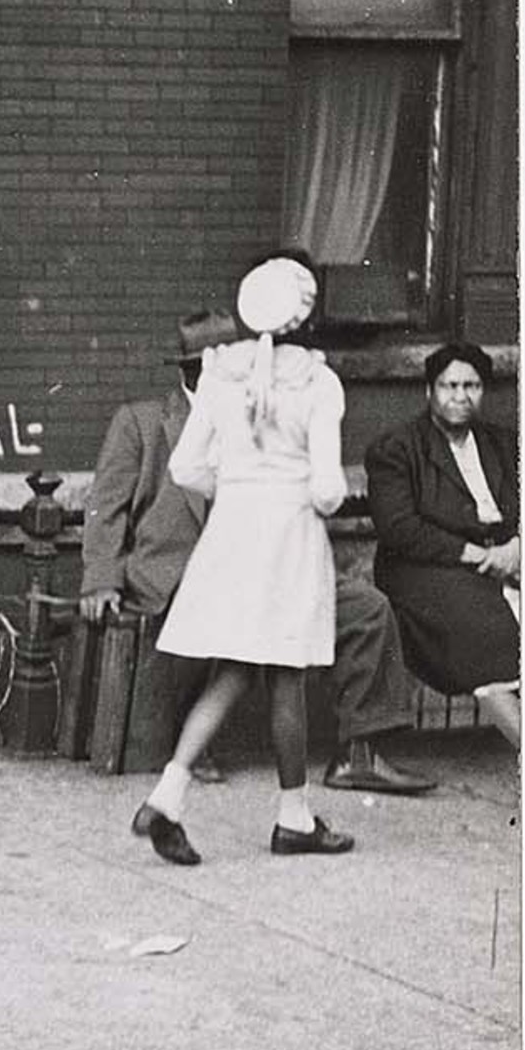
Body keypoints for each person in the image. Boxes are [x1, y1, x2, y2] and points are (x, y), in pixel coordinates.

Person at [79, 312, 432, 794]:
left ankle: (360, 753)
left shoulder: (270, 404)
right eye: (206, 366)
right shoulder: (142, 421)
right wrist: (101, 577)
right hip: (177, 569)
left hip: (271, 563)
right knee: (238, 636)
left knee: (367, 609)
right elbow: (106, 505)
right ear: (192, 367)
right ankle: (196, 756)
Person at [133, 253, 354, 866]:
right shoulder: (318, 382)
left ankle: (169, 793)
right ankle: (293, 818)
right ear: (306, 315)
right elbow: (327, 489)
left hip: (232, 532)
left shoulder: (219, 374)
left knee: (231, 670)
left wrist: (235, 489)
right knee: (286, 676)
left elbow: (185, 469)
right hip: (288, 538)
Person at [366, 341, 521, 750]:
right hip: (426, 569)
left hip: (507, 558)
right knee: (484, 634)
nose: (460, 396)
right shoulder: (397, 449)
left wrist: (518, 546)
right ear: (429, 391)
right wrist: (478, 555)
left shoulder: (505, 444)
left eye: (471, 386)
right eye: (449, 385)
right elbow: (400, 529)